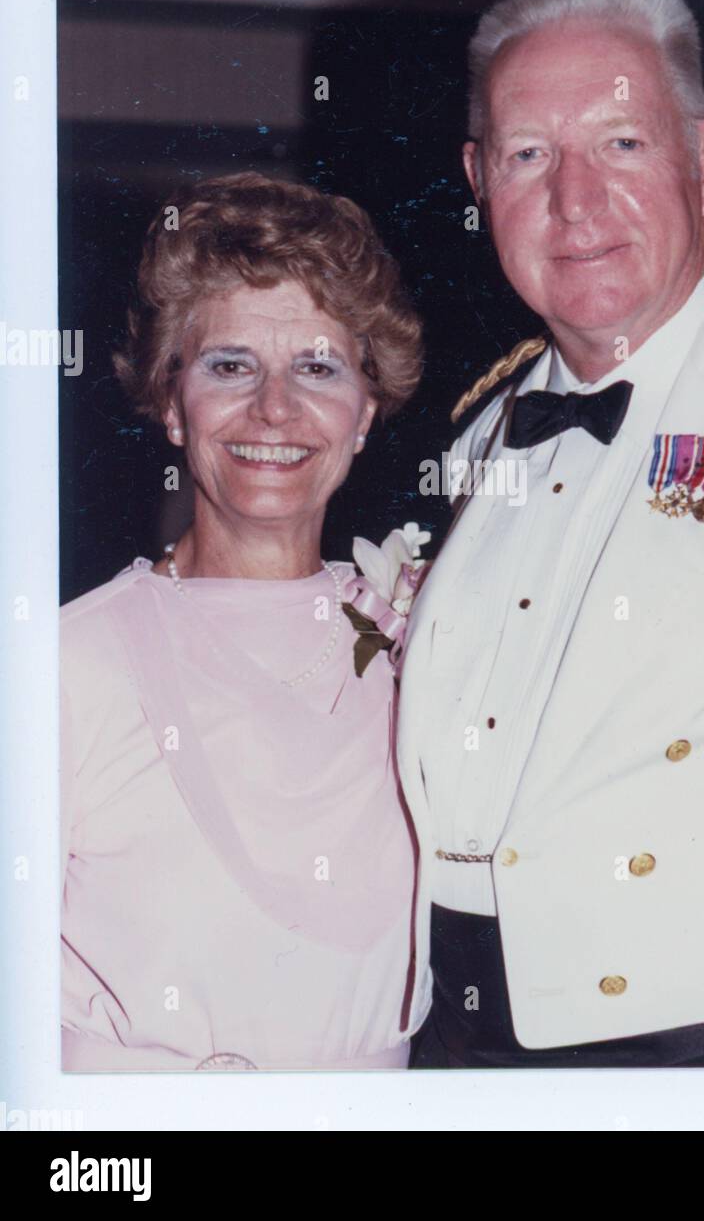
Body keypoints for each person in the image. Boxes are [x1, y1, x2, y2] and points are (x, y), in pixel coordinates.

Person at [397, 0, 704, 1067]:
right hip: (455, 1053)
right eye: (528, 155)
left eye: (620, 143)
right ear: (479, 181)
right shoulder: (479, 441)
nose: (573, 201)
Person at [60, 172, 424, 1070]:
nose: (274, 408)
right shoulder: (61, 664)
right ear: (171, 402)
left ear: (365, 411)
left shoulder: (429, 647)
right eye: (230, 366)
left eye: (317, 366)